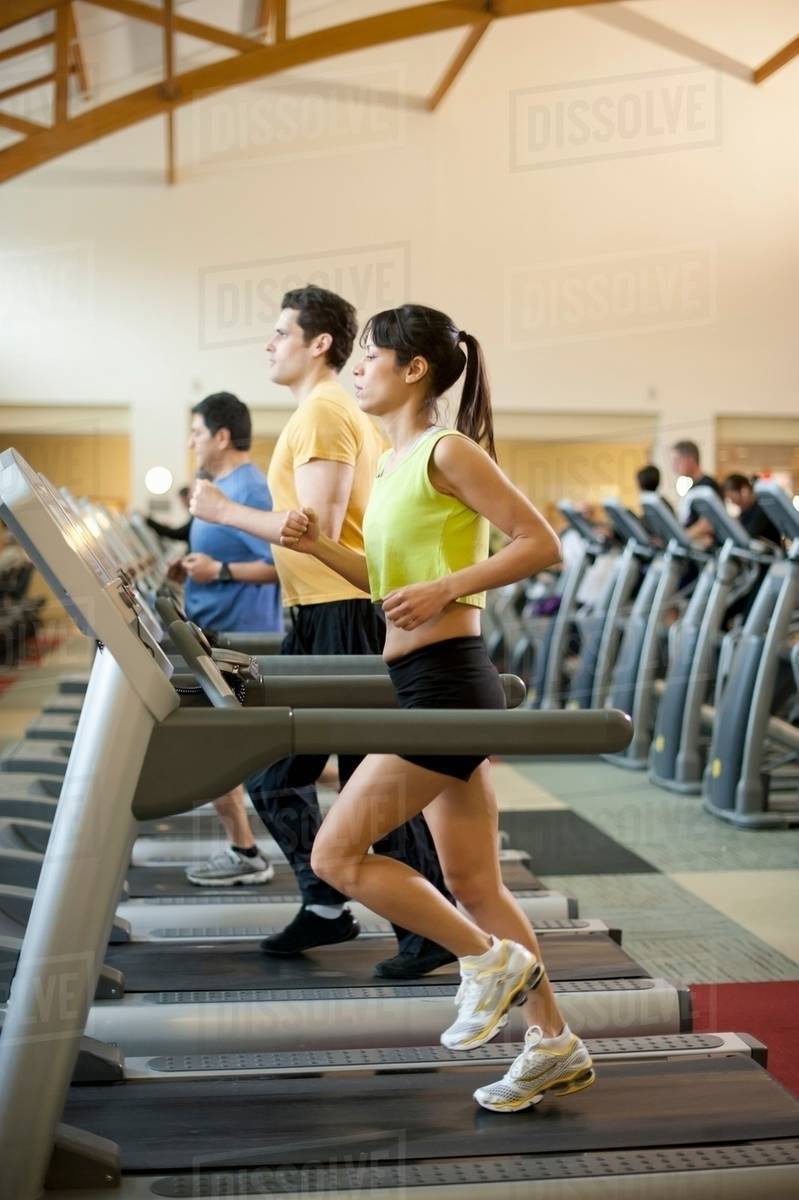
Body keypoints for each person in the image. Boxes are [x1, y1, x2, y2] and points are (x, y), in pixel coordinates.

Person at [275, 303, 594, 1112]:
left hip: (449, 682)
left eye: (368, 356)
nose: (355, 368)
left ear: (413, 368)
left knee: (336, 856)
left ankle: (483, 961)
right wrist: (316, 547)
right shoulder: (392, 460)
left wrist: (451, 585)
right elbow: (388, 589)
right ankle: (551, 1041)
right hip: (420, 681)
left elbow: (539, 541)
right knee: (474, 882)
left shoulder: (448, 451)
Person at [190, 285, 456, 980]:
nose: (269, 344)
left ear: (317, 344)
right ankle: (330, 901)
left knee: (355, 774)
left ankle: (420, 923)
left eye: (280, 332)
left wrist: (221, 511)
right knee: (288, 774)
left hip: (344, 610)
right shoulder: (322, 412)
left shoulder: (323, 413)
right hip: (319, 611)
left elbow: (316, 530)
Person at [170, 392, 282, 887]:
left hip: (243, 637)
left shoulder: (250, 489)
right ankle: (243, 848)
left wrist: (220, 571)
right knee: (220, 747)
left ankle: (246, 850)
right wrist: (196, 571)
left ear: (221, 435)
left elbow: (281, 565)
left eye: (196, 432)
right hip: (214, 629)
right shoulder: (221, 485)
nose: (191, 441)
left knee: (220, 747)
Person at [669, 440, 721, 542]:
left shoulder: (707, 486)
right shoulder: (692, 487)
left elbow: (707, 524)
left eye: (677, 461)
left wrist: (681, 538)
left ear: (690, 459)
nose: (674, 467)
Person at [722, 474, 782, 546]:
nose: (734, 503)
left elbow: (748, 535)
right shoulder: (746, 511)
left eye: (733, 498)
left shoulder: (761, 509)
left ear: (744, 491)